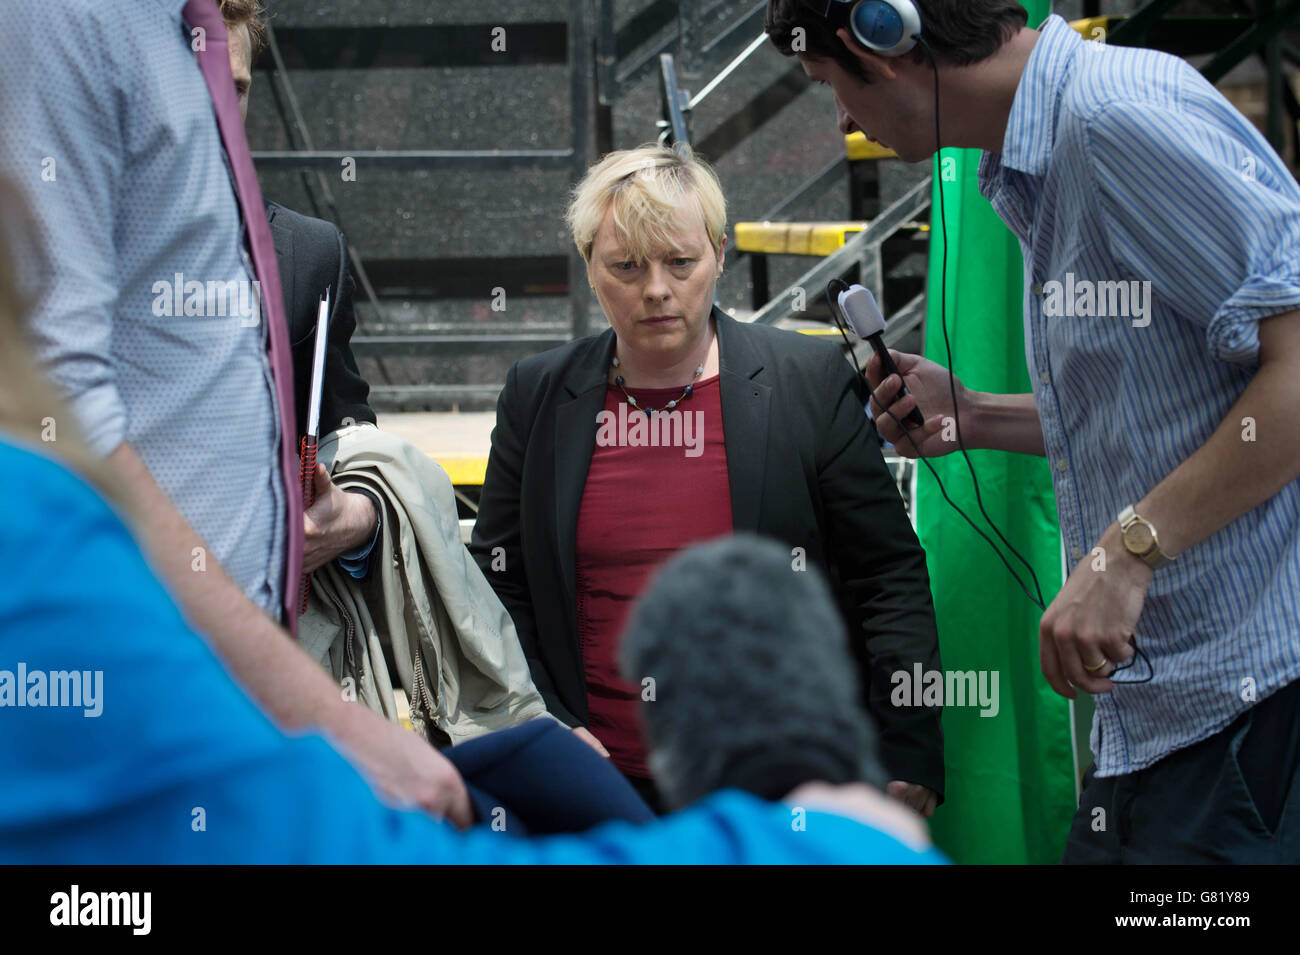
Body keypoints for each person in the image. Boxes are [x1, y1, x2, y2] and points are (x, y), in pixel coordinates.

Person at [765, 0, 1300, 862]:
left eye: (828, 81)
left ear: (885, 38)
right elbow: (1169, 406)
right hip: (1163, 724)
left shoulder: (1115, 118)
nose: (842, 120)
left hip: (1250, 717)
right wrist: (976, 414)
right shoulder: (1043, 152)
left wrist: (1129, 550)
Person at [0, 0, 469, 822]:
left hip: (262, 669)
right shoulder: (64, 57)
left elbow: (343, 423)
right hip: (136, 672)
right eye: (190, 76)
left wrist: (353, 518)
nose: (212, 102)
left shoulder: (305, 249)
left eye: (234, 83)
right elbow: (63, 415)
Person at [470, 144, 944, 816]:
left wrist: (907, 746)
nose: (656, 289)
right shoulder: (537, 394)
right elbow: (499, 580)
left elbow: (886, 574)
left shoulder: (807, 381)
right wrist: (544, 720)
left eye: (680, 262)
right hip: (593, 789)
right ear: (589, 266)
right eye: (627, 266)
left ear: (720, 255)